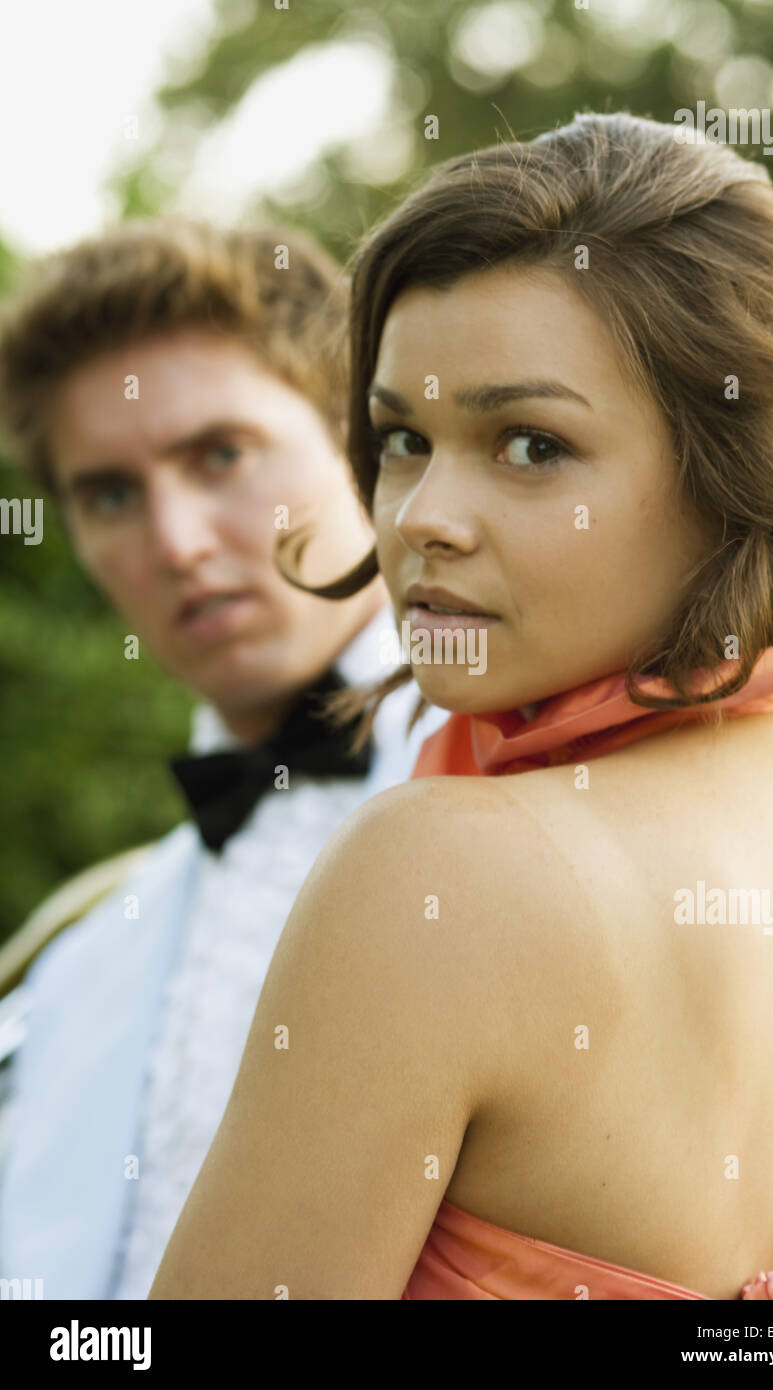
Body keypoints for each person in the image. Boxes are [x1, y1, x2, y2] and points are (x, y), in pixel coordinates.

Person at [149, 113, 773, 1302]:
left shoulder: (439, 876)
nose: (422, 513)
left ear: (731, 470)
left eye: (529, 443)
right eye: (400, 438)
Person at [0, 216, 447, 1299]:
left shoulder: (556, 818)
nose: (178, 541)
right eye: (108, 493)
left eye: (221, 455)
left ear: (360, 438)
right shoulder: (67, 960)